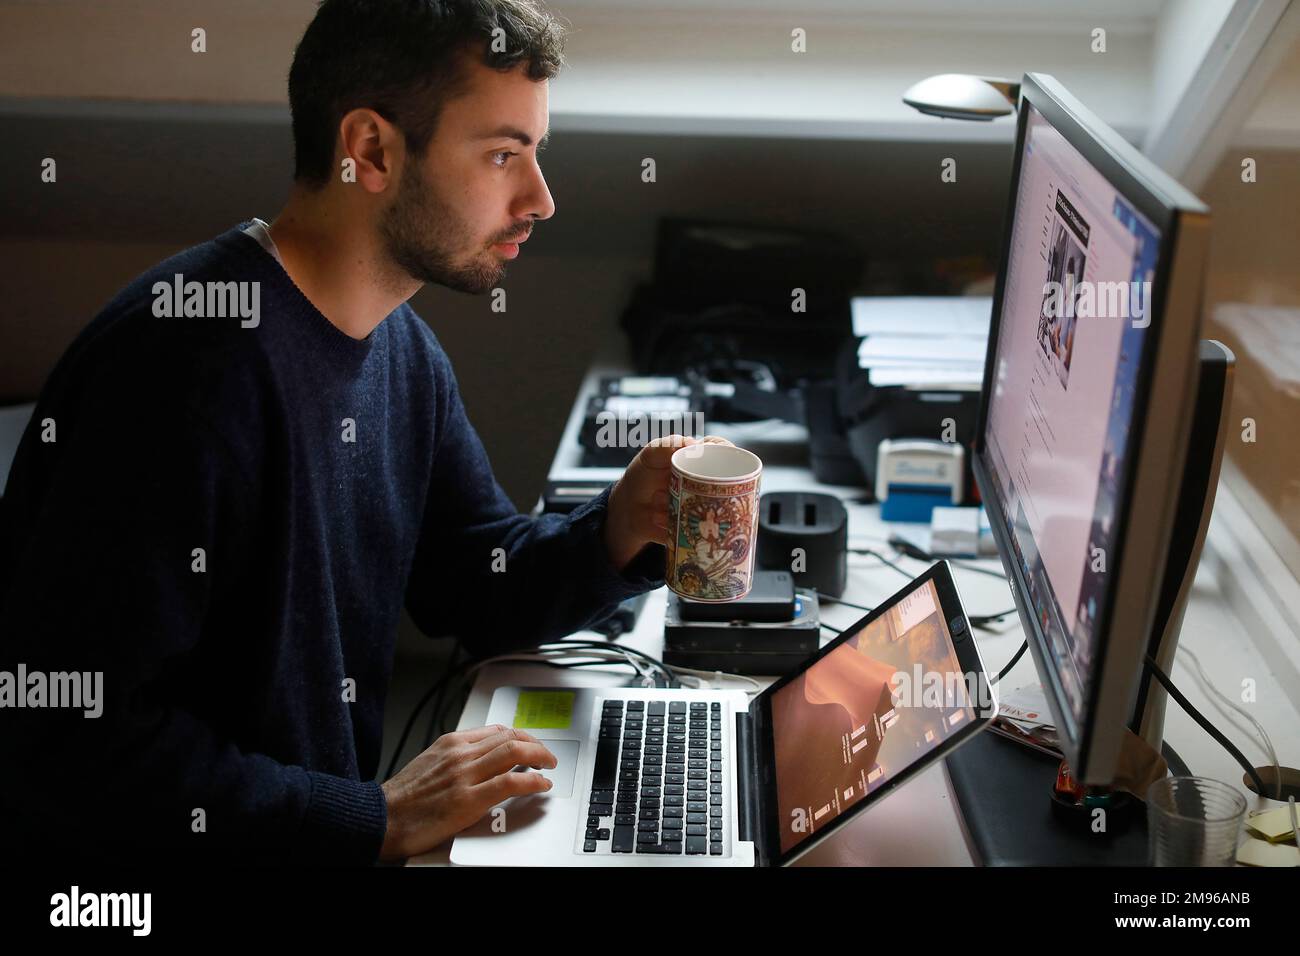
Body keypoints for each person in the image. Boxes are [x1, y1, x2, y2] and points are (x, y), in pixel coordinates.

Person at [0, 0, 726, 864]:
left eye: (536, 153)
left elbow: (472, 579)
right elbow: (67, 744)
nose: (541, 198)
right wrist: (372, 818)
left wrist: (618, 529)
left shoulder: (396, 342)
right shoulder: (184, 376)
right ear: (372, 151)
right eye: (503, 154)